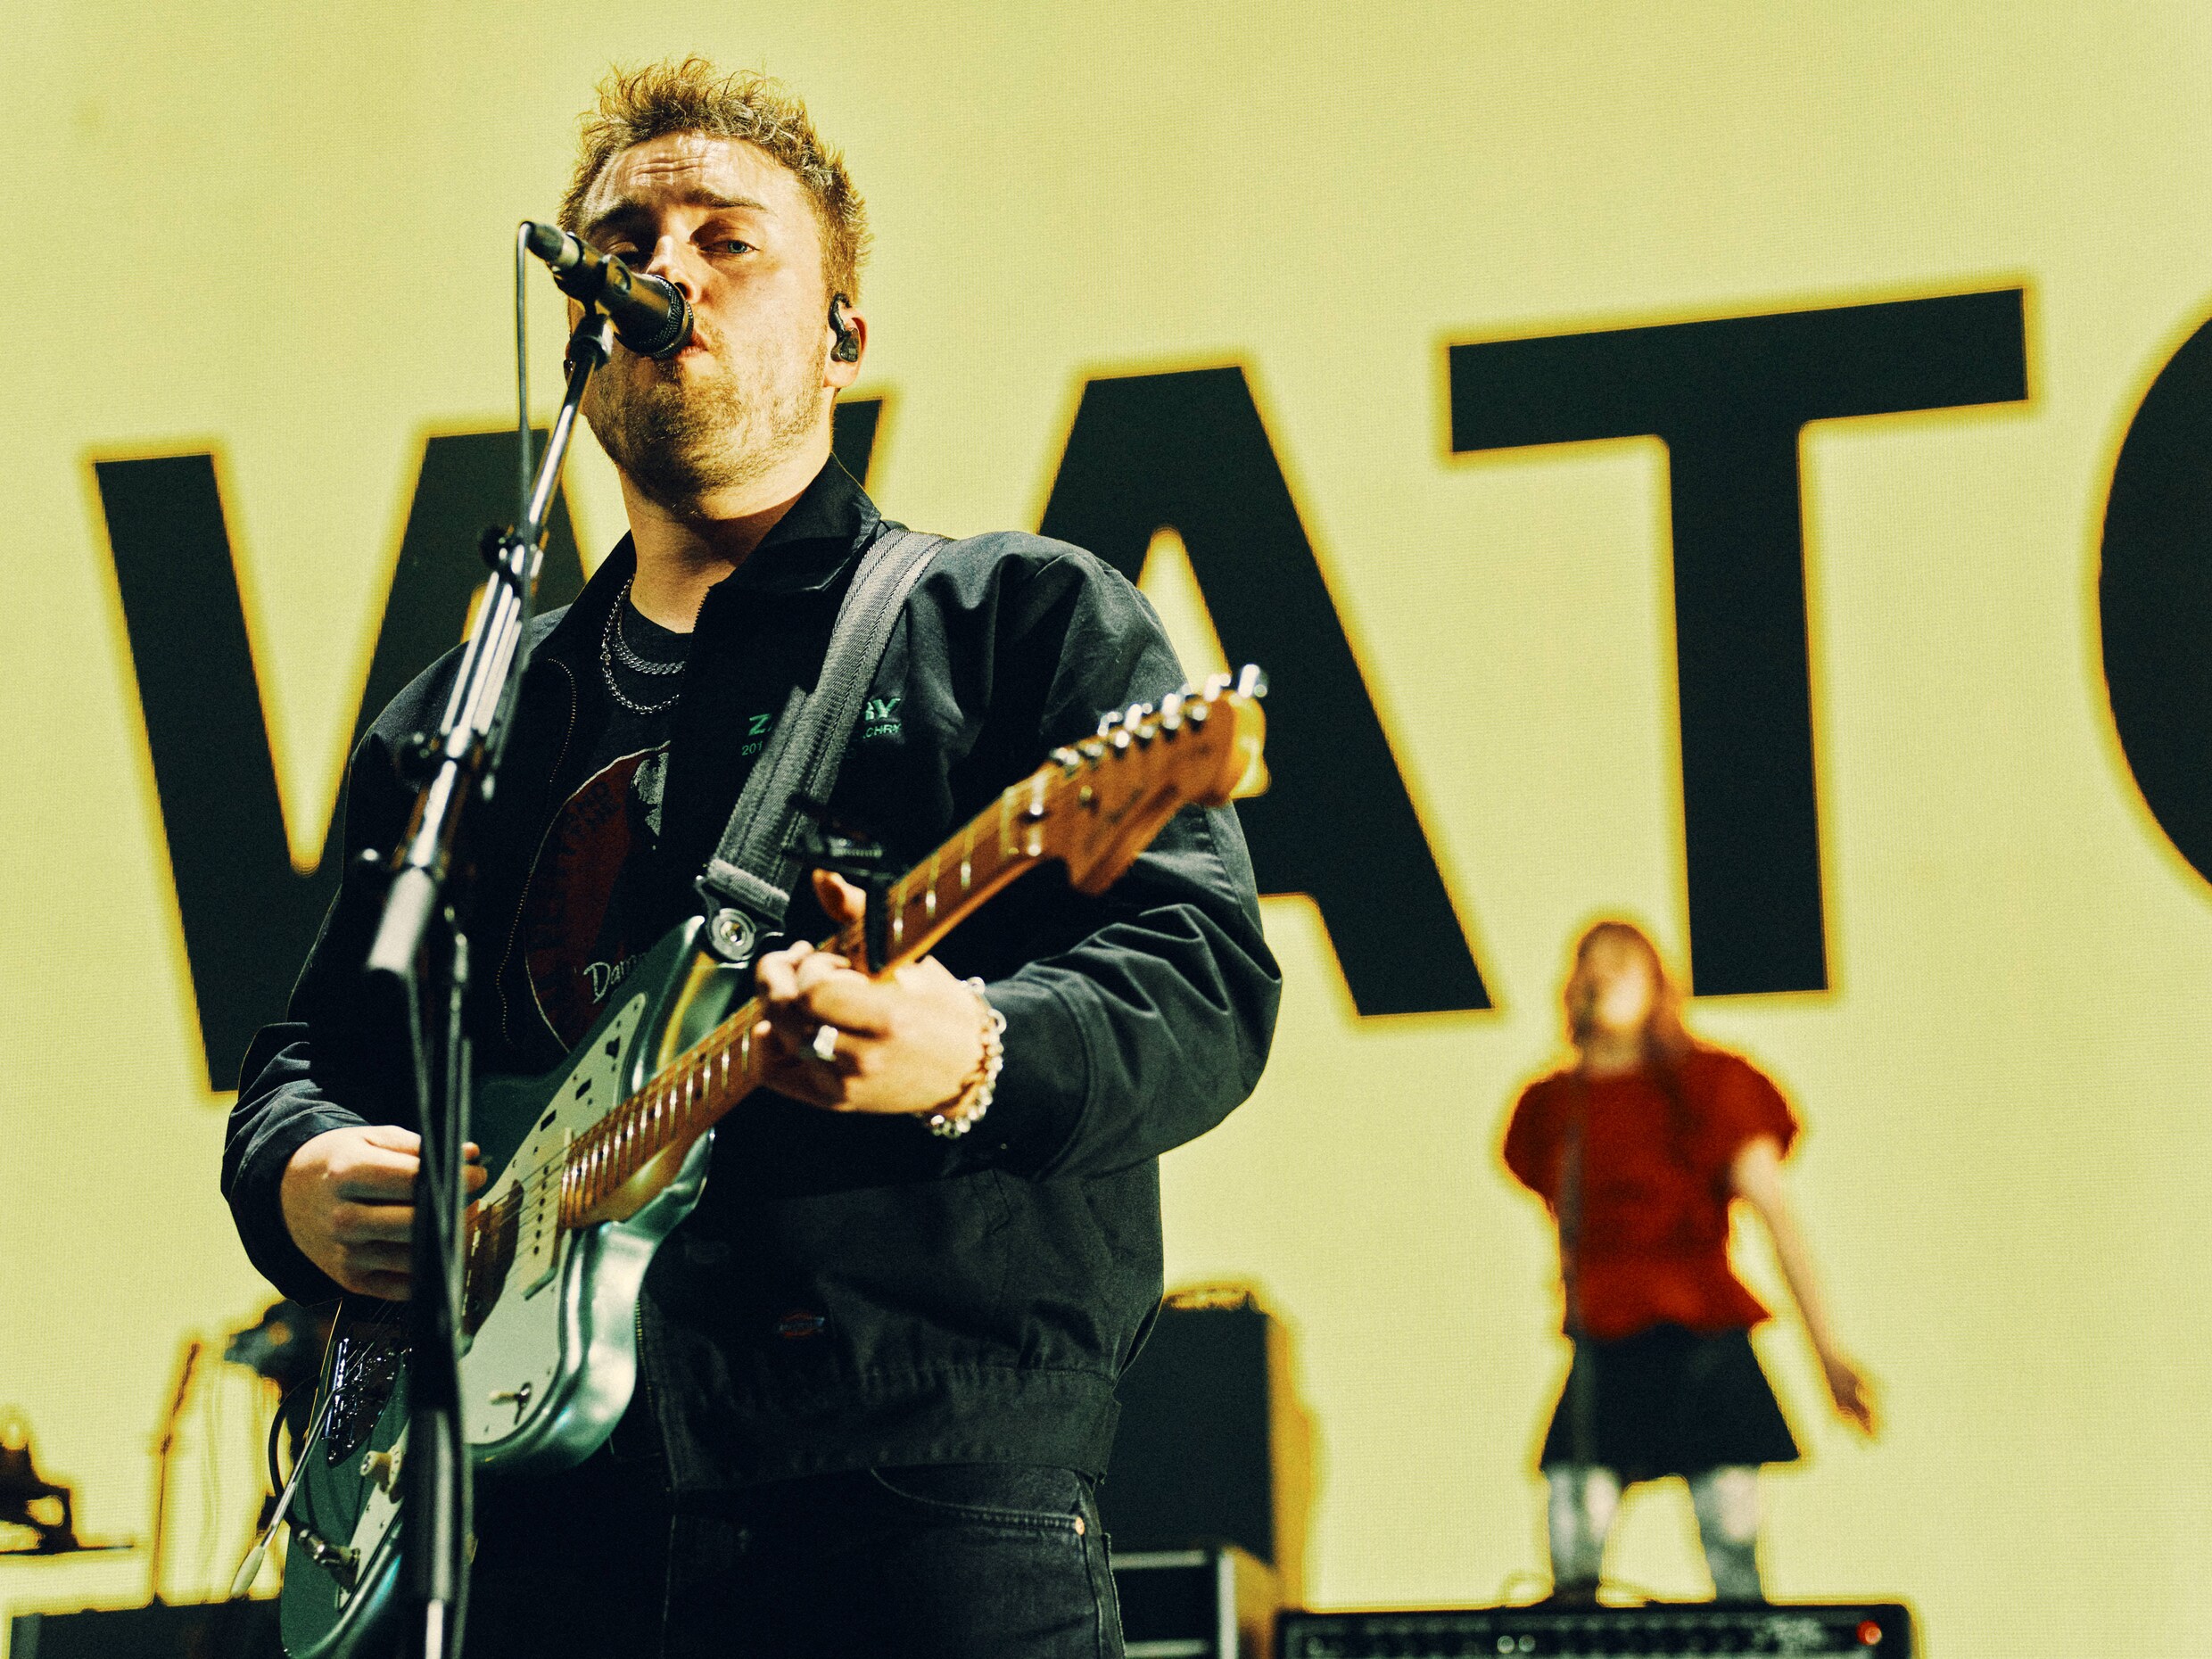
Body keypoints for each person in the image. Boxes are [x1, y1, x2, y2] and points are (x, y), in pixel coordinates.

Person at [219, 57, 1280, 1659]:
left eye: (729, 239)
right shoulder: (471, 715)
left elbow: (1202, 981)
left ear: (844, 330)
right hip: (531, 1529)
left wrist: (974, 1049)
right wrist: (300, 1177)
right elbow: (311, 1056)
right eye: (628, 237)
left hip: (906, 1498)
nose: (668, 268)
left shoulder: (1012, 626)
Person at [1501, 920, 1874, 1604]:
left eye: (1622, 963)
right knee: (1570, 1542)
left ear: (1656, 982)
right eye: (1589, 963)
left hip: (1700, 1335)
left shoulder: (1709, 1084)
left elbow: (1777, 1220)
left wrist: (1828, 1355)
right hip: (1605, 1342)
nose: (1602, 977)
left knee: (1732, 1548)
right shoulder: (1554, 1106)